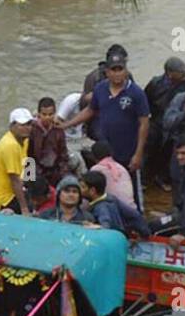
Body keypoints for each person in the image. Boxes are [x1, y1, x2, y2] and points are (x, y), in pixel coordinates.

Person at [61, 47, 151, 213]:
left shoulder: (136, 93)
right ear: (107, 72)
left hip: (129, 151)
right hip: (107, 152)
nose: (117, 74)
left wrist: (138, 154)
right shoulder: (100, 89)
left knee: (132, 192)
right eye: (113, 70)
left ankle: (137, 220)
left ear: (126, 70)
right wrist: (67, 125)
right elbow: (90, 110)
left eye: (120, 69)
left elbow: (144, 123)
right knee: (107, 188)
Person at [143, 56, 185, 188]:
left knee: (172, 149)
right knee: (149, 144)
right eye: (181, 71)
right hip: (157, 121)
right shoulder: (155, 84)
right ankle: (145, 178)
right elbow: (145, 103)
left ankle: (164, 178)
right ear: (170, 73)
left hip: (176, 123)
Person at [0, 108, 34, 214]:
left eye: (29, 124)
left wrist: (30, 184)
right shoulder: (10, 145)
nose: (26, 128)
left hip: (12, 190)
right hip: (0, 199)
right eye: (22, 125)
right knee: (28, 209)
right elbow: (14, 180)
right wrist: (24, 209)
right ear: (12, 126)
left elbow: (28, 161)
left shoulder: (25, 139)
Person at [80, 170, 148, 237]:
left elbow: (106, 227)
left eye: (83, 187)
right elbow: (134, 214)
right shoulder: (110, 198)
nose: (80, 190)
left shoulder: (101, 207)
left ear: (92, 191)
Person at [29, 96, 68, 187]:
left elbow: (63, 154)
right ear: (38, 114)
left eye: (50, 114)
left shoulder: (58, 130)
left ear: (55, 114)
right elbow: (28, 156)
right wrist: (30, 179)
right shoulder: (32, 130)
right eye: (44, 114)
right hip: (36, 168)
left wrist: (64, 174)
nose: (47, 117)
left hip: (54, 169)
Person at [89, 140, 135, 208]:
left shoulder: (96, 169)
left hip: (114, 210)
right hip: (131, 208)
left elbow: (91, 193)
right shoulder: (121, 168)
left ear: (93, 156)